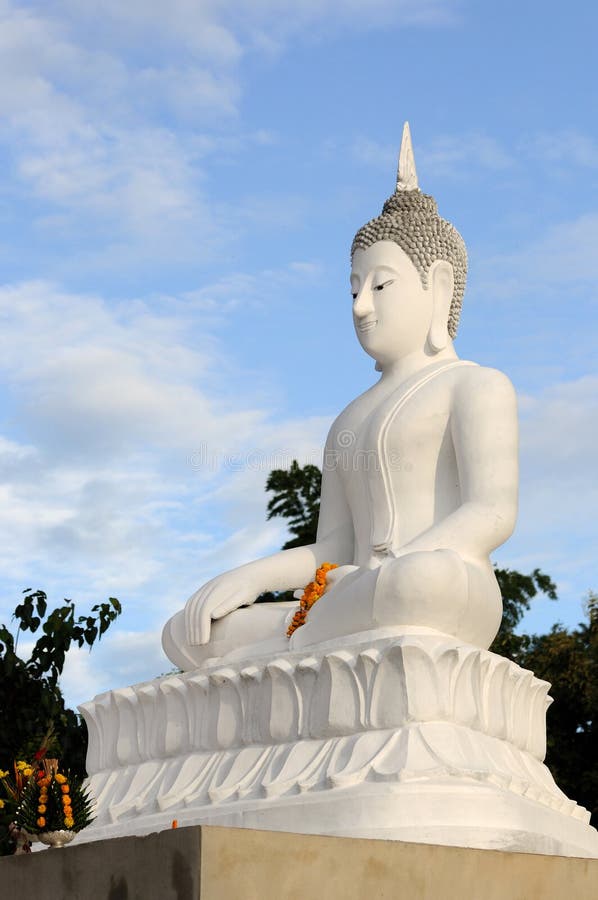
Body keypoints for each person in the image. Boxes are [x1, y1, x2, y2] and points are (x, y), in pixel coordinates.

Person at [162, 124, 518, 671]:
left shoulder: (475, 385)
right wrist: (250, 577)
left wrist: (388, 567)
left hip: (439, 584)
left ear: (440, 286)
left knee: (419, 582)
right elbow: (333, 549)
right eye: (354, 288)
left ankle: (286, 650)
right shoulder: (349, 420)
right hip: (347, 594)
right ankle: (293, 644)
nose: (360, 306)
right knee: (187, 633)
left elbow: (491, 512)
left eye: (381, 285)